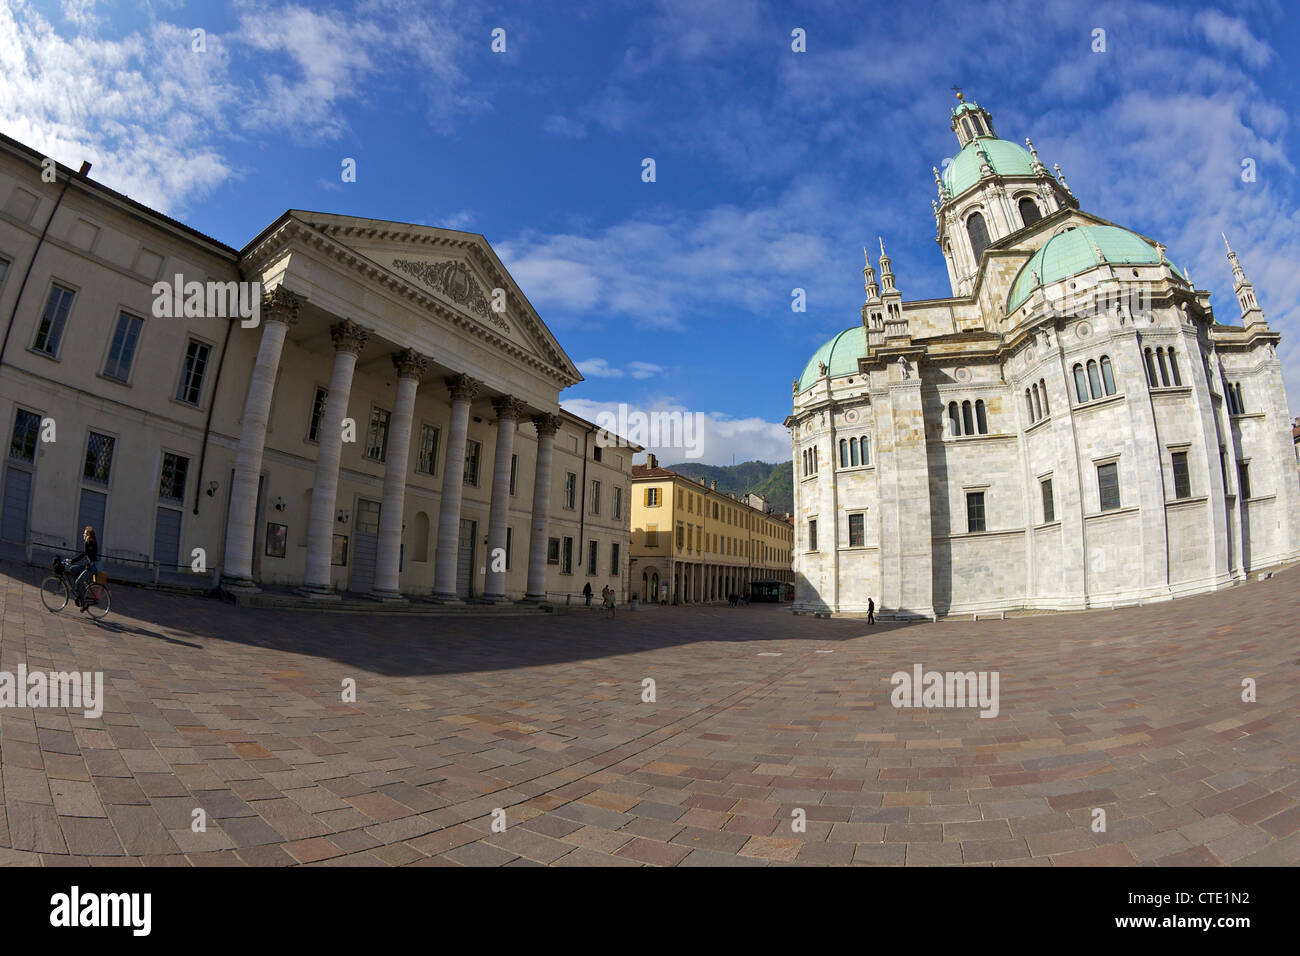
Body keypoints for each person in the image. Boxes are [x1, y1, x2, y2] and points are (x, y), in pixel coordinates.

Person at [70, 526, 102, 613]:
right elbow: (86, 554)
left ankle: (84, 604)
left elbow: (85, 554)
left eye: (84, 533)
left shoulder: (89, 542)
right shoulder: (91, 542)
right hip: (87, 566)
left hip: (91, 569)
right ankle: (80, 590)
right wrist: (72, 561)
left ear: (88, 535)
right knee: (72, 569)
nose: (83, 535)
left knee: (78, 582)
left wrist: (72, 560)